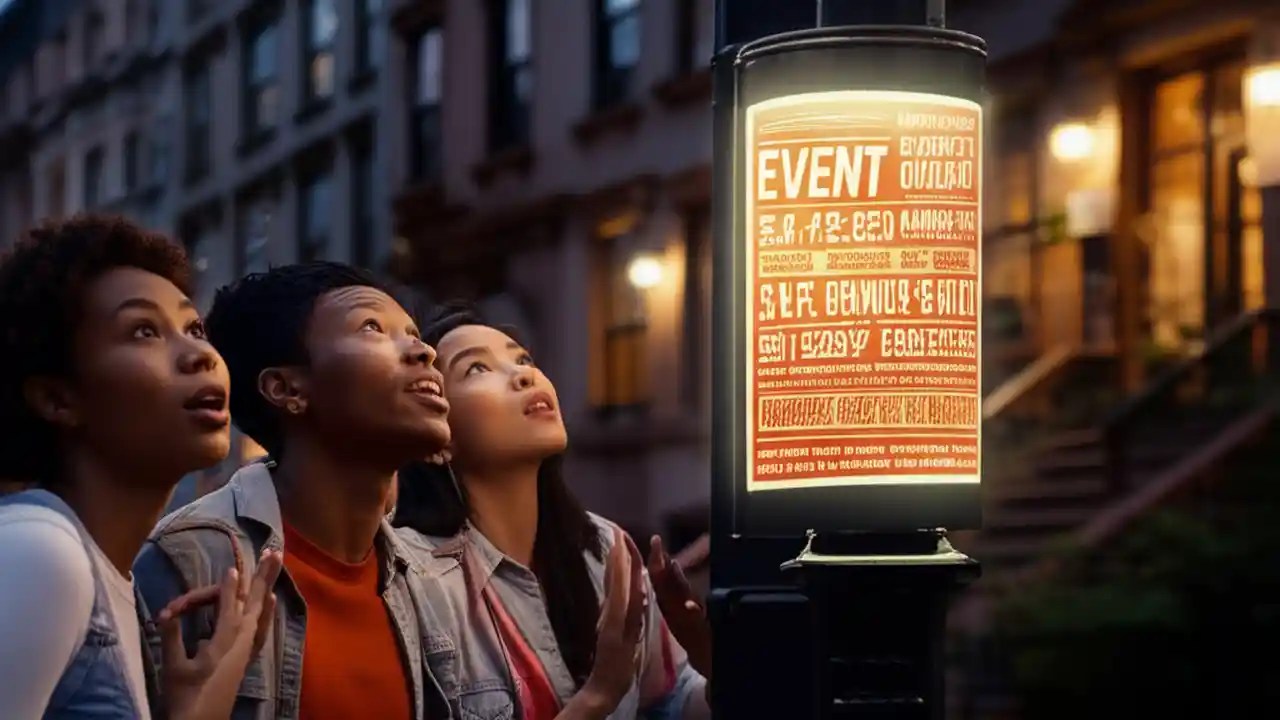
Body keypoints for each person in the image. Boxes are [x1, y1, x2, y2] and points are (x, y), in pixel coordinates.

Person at [133, 262, 459, 720]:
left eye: (413, 331)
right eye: (373, 327)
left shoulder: (428, 582)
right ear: (286, 388)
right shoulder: (194, 564)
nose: (423, 351)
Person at [0, 215, 282, 719]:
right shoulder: (40, 551)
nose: (200, 353)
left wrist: (201, 699)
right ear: (57, 397)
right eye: (144, 330)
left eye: (195, 328)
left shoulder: (118, 592)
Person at [393, 304, 713, 720]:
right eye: (476, 369)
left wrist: (716, 667)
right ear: (438, 429)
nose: (524, 375)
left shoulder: (605, 549)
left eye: (523, 358)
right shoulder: (411, 578)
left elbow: (670, 703)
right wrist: (599, 695)